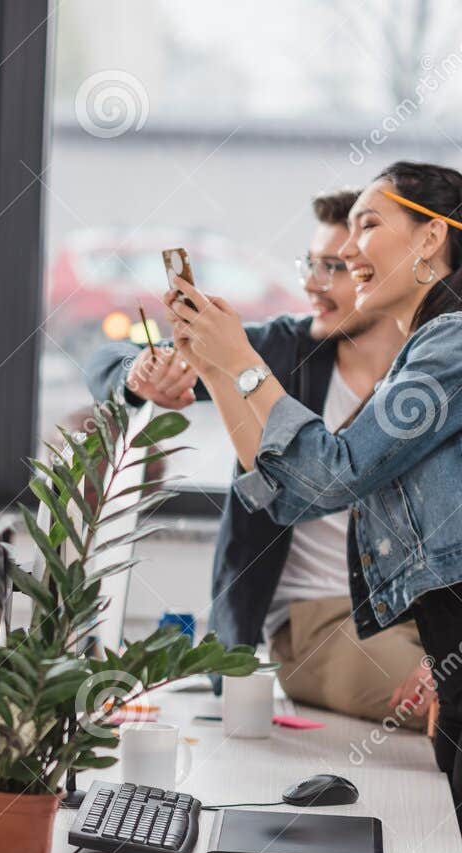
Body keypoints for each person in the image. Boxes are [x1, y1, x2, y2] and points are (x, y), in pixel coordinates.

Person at [167, 161, 462, 821]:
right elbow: (301, 492)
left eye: (368, 226)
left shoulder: (451, 343)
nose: (347, 251)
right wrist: (220, 367)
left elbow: (333, 474)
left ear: (429, 239)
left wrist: (238, 364)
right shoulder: (427, 345)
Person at [85, 191, 430, 728]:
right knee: (438, 705)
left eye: (335, 268)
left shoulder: (433, 371)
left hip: (420, 611)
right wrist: (139, 376)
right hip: (320, 619)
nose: (313, 283)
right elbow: (104, 358)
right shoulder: (279, 354)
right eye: (310, 265)